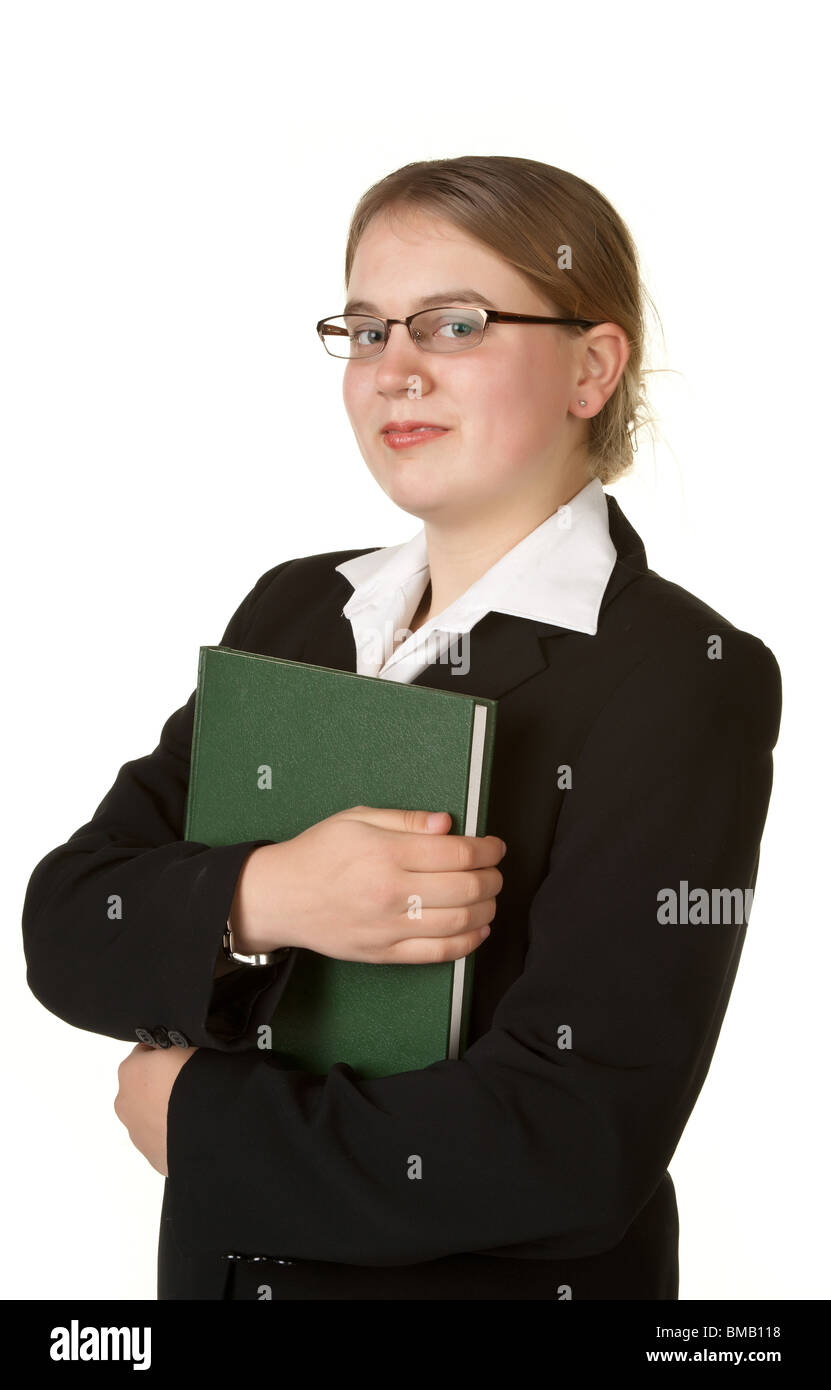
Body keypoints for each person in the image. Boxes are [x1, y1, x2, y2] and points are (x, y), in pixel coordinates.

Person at [21, 155, 782, 1301]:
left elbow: (571, 1146)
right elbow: (71, 922)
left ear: (591, 366)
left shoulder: (679, 674)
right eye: (367, 330)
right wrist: (267, 894)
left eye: (454, 324)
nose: (396, 372)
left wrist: (204, 1121)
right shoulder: (295, 609)